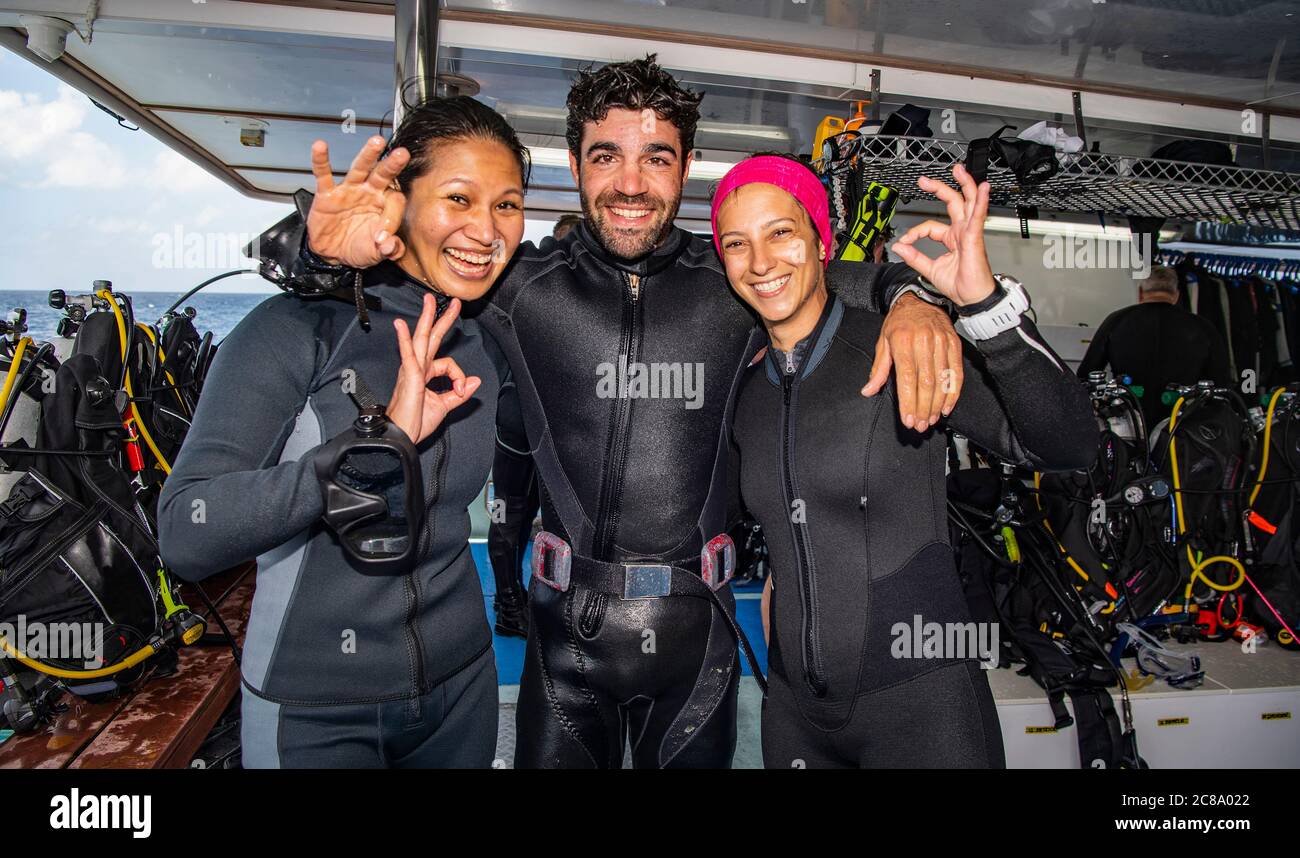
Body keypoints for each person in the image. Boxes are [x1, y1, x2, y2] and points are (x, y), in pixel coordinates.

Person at [253, 56, 966, 769]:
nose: (630, 183)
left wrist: (912, 297)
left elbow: (833, 277)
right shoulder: (518, 286)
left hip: (697, 642)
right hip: (563, 647)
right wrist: (318, 255)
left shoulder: (735, 282)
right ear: (575, 166)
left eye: (655, 158)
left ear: (685, 167)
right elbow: (405, 267)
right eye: (605, 157)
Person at [156, 97, 531, 767]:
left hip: (462, 691)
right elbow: (188, 533)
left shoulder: (490, 332)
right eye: (458, 198)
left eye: (506, 204)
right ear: (398, 202)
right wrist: (373, 447)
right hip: (316, 710)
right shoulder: (295, 330)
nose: (485, 229)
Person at [713, 155, 1098, 767]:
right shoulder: (744, 384)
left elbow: (1067, 447)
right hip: (795, 715)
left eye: (781, 232)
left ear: (822, 242)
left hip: (923, 709)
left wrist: (985, 307)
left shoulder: (902, 346)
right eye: (737, 242)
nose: (760, 262)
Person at [487, 213, 581, 639]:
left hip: (552, 421)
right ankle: (509, 604)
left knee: (545, 518)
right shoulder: (533, 287)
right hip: (521, 419)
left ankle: (531, 602)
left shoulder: (569, 293)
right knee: (512, 515)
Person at [1077, 265, 1232, 429]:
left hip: (1128, 424)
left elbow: (1086, 376)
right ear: (1176, 295)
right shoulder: (1203, 328)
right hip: (1182, 426)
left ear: (1140, 293)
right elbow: (1221, 386)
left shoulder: (1116, 321)